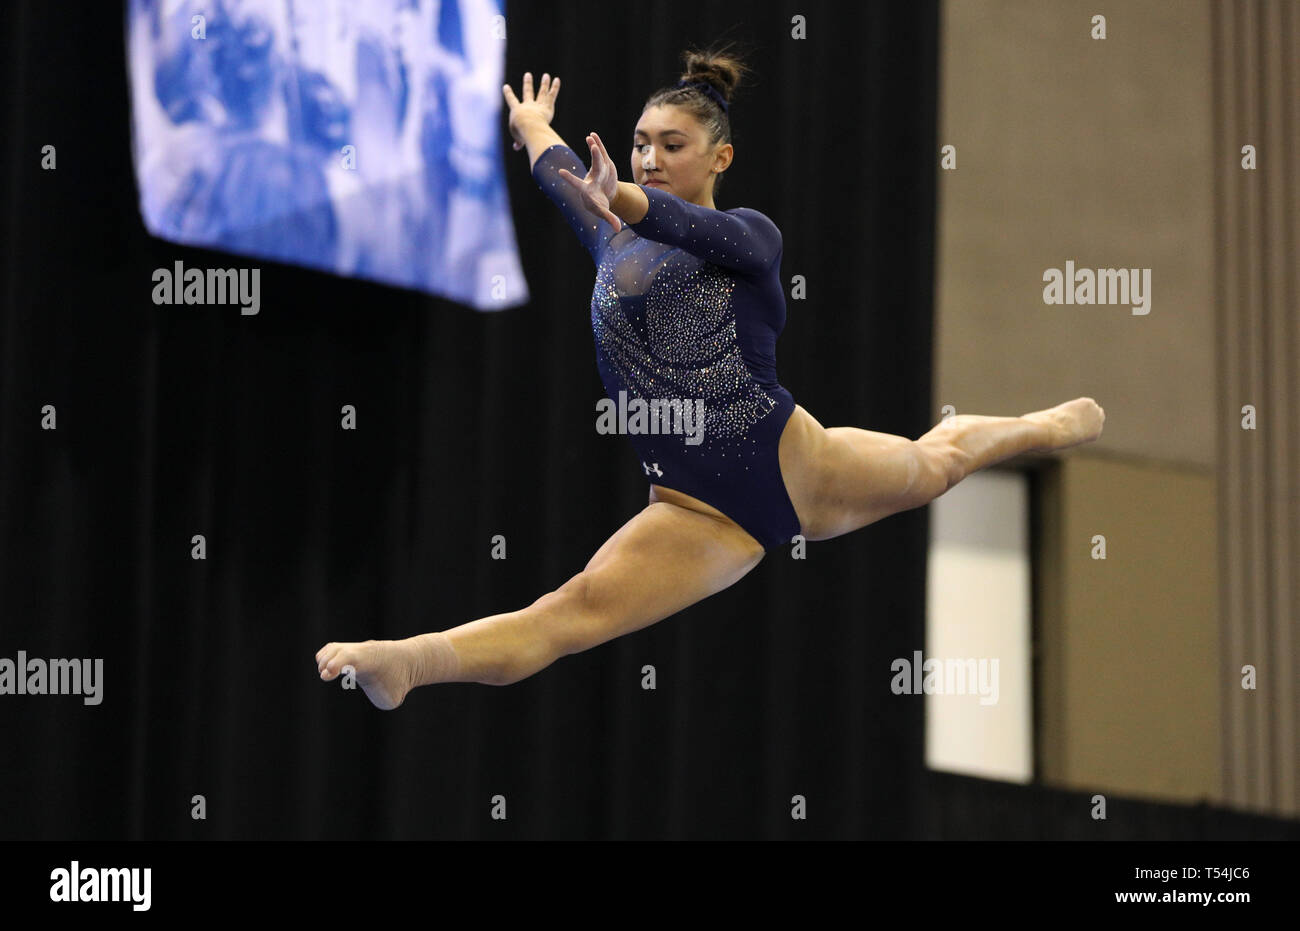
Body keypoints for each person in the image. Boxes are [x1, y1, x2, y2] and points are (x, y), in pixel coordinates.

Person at [315, 47, 1104, 709]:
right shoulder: (612, 241)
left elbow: (673, 220)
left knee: (936, 463)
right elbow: (561, 174)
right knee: (567, 613)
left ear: (719, 156)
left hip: (794, 464)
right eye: (640, 142)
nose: (651, 157)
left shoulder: (749, 238)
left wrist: (618, 191)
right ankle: (410, 659)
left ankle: (1043, 428)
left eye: (673, 145)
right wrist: (531, 125)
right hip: (693, 510)